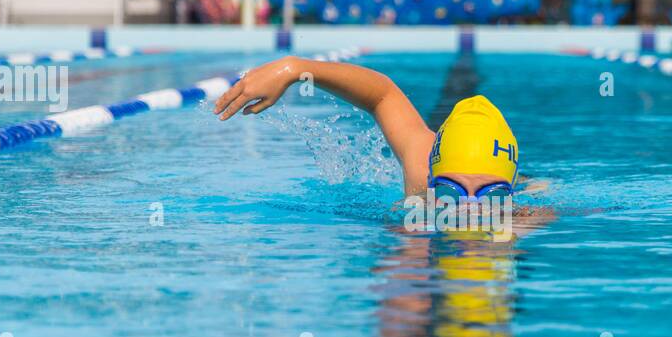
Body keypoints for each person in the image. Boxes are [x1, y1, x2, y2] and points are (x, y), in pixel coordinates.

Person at [212, 56, 528, 210]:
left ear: (510, 197)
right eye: (449, 193)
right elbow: (382, 96)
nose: (467, 212)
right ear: (431, 178)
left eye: (492, 200)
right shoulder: (422, 172)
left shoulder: (522, 219)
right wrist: (293, 69)